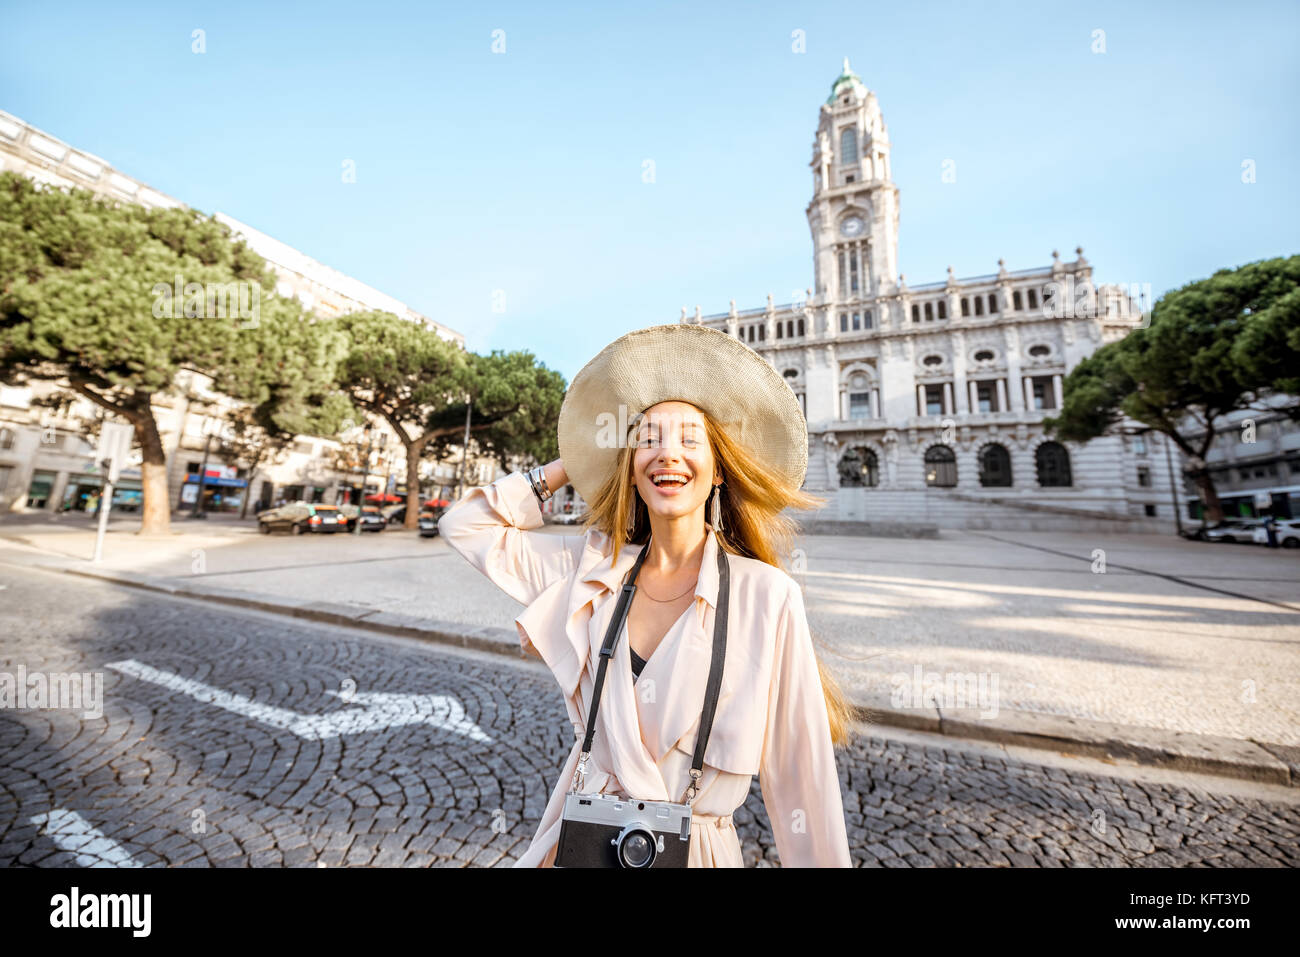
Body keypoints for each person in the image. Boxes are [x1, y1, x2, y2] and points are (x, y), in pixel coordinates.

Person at [438, 323, 855, 868]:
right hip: (583, 846)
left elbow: (802, 777)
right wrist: (577, 460)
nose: (667, 455)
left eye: (689, 439)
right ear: (630, 468)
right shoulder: (588, 568)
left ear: (720, 471)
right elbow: (465, 525)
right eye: (648, 440)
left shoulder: (766, 595)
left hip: (698, 852)